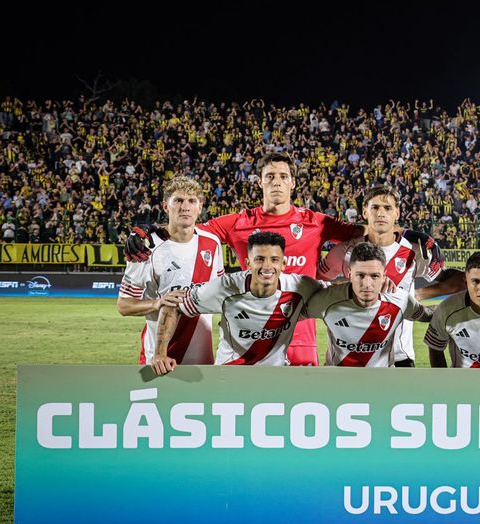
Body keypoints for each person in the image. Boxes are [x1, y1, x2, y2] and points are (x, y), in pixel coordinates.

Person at [127, 152, 436, 367]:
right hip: (249, 338)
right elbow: (185, 228)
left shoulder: (315, 222)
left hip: (302, 339)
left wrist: (413, 234)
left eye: (283, 176)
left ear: (292, 183)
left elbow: (371, 228)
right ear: (260, 182)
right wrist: (147, 231)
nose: (276, 181)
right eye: (270, 176)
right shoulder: (238, 222)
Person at [150, 231, 321, 373]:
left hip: (276, 375)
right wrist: (160, 354)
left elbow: (333, 298)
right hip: (230, 374)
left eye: (274, 260)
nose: (267, 266)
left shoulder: (300, 287)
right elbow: (172, 305)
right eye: (259, 259)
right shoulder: (225, 287)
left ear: (283, 264)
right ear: (248, 263)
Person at [317, 185, 449, 367]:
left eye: (387, 208)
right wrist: (346, 286)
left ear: (397, 213)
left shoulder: (416, 251)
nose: (381, 213)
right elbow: (316, 283)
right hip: (350, 355)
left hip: (400, 355)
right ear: (365, 212)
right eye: (375, 207)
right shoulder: (344, 251)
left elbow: (449, 280)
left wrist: (420, 296)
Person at [116, 176, 224, 366]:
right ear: (166, 206)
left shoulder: (212, 243)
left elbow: (219, 293)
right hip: (158, 359)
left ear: (200, 207)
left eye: (192, 201)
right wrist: (157, 303)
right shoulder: (145, 247)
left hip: (201, 359)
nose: (185, 207)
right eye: (178, 200)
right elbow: (124, 306)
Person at [308, 242, 433, 367]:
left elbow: (428, 315)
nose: (367, 284)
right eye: (360, 275)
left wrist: (445, 307)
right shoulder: (327, 300)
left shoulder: (400, 300)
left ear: (384, 276)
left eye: (374, 276)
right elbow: (298, 311)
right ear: (349, 274)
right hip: (337, 377)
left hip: (382, 378)